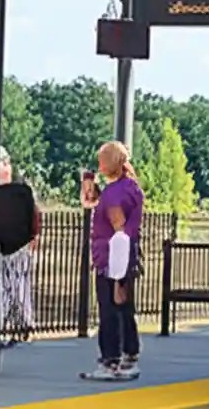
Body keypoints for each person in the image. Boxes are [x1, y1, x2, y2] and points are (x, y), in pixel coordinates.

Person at [79, 141, 144, 382]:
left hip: (111, 260)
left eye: (102, 161)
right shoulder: (130, 188)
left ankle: (110, 360)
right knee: (124, 310)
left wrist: (117, 272)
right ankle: (129, 354)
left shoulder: (114, 195)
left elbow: (119, 229)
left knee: (109, 311)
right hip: (125, 258)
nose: (99, 166)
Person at [0, 147, 40, 348]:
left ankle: (21, 324)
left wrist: (34, 235)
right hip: (4, 247)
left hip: (17, 247)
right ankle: (10, 325)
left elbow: (33, 216)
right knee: (7, 287)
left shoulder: (21, 192)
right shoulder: (20, 192)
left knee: (16, 286)